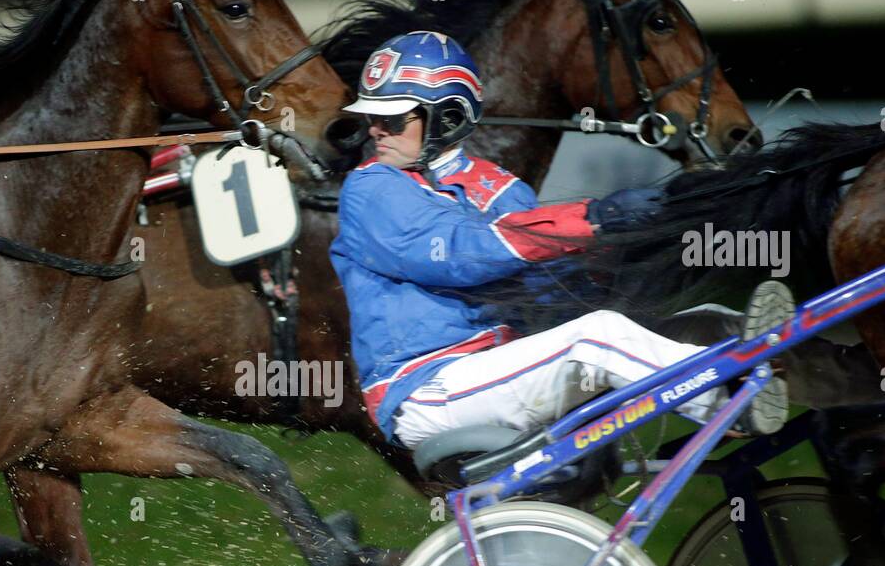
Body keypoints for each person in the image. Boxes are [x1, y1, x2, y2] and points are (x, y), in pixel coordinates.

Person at [328, 31, 791, 453]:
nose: (374, 130)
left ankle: (833, 374)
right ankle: (726, 401)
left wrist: (636, 243)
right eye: (374, 116)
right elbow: (458, 252)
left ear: (446, 117)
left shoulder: (503, 189)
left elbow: (547, 289)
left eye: (391, 119)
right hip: (428, 388)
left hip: (505, 368)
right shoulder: (370, 188)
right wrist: (594, 218)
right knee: (599, 338)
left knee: (704, 324)